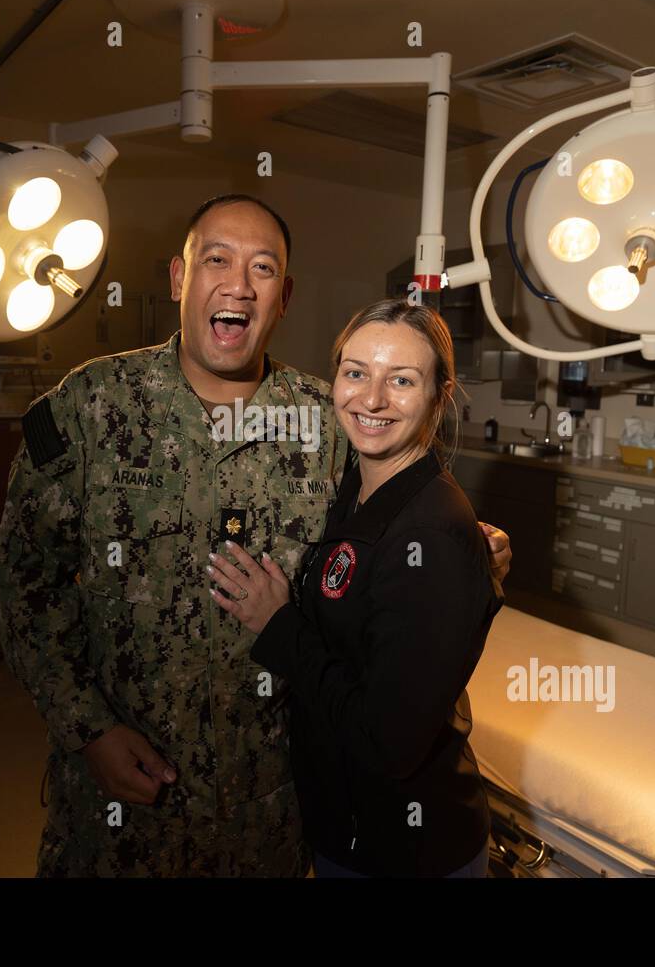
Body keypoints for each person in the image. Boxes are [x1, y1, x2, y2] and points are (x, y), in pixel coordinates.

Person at [0, 194, 512, 876]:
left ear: (283, 297)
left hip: (271, 812)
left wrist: (470, 548)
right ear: (179, 279)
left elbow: (396, 519)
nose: (238, 285)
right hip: (120, 810)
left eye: (262, 269)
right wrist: (87, 728)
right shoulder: (91, 405)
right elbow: (25, 582)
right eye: (217, 260)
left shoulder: (327, 420)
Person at [209, 298, 503, 877]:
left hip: (403, 851)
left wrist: (278, 625)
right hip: (347, 826)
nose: (371, 400)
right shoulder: (357, 486)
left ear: (440, 395)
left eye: (402, 380)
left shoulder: (429, 532)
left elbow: (387, 743)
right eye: (356, 373)